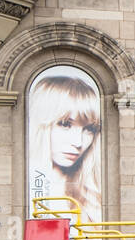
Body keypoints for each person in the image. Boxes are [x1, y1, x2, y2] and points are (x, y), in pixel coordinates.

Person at [28, 74, 103, 223]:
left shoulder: (93, 197)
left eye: (89, 129)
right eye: (64, 124)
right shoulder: (21, 186)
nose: (78, 142)